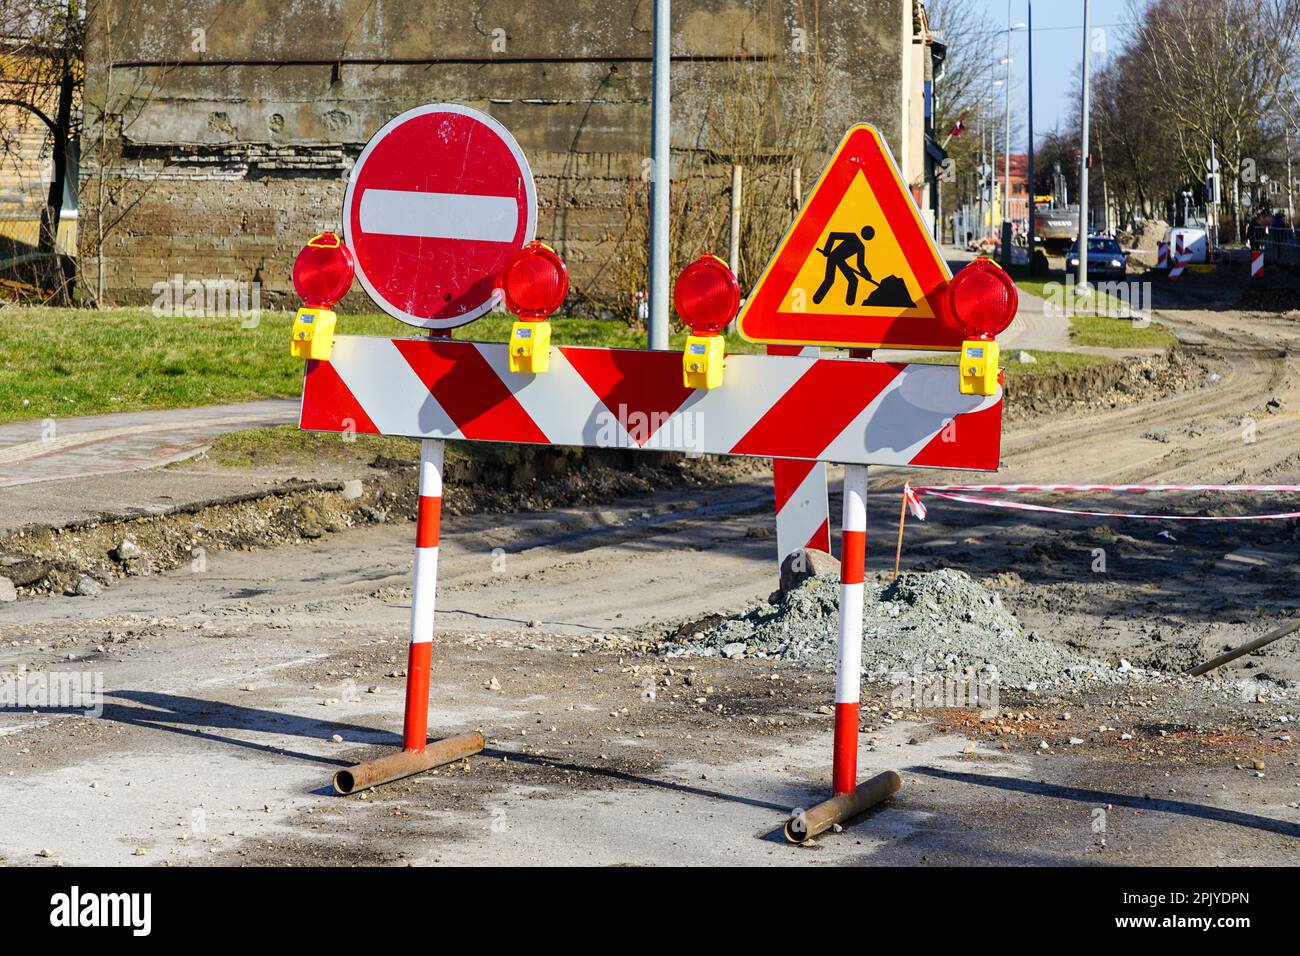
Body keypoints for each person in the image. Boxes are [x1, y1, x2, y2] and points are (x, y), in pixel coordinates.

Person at [813, 226, 875, 306]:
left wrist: (867, 275)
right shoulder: (852, 237)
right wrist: (827, 249)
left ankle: (850, 304)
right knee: (829, 280)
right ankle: (816, 300)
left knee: (853, 280)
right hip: (833, 257)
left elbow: (860, 264)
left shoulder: (861, 247)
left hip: (840, 260)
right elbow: (833, 235)